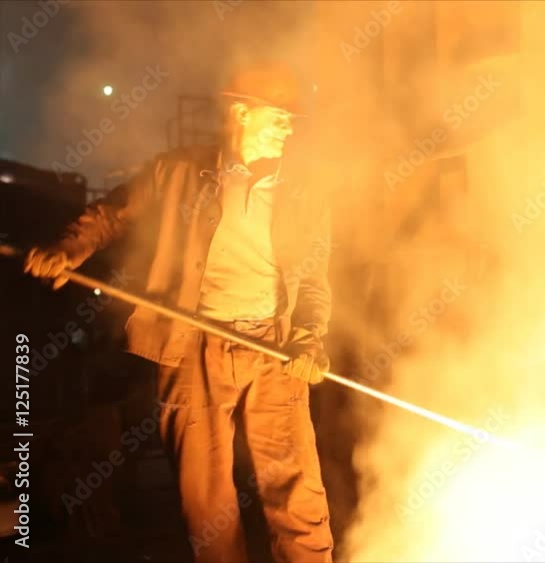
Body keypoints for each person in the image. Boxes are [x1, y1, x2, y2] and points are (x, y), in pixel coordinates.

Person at [24, 64, 335, 562]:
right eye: (280, 117)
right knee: (205, 503)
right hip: (192, 348)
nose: (290, 128)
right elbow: (113, 214)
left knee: (296, 493)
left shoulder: (303, 194)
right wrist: (68, 249)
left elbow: (316, 282)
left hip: (274, 352)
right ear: (241, 113)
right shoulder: (175, 173)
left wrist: (309, 337)